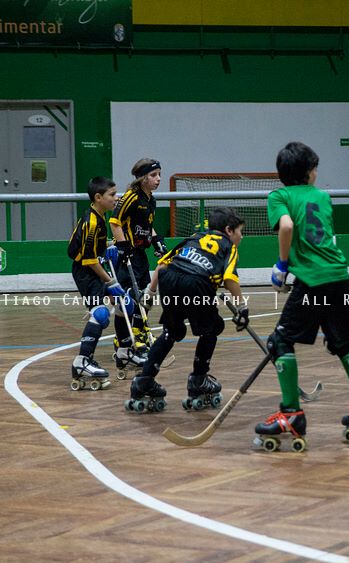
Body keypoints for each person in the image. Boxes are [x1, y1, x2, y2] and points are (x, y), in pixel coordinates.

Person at [258, 141, 349, 452]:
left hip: (312, 282)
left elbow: (286, 225)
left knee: (280, 342)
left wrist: (283, 265)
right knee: (342, 343)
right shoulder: (323, 197)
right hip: (339, 279)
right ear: (310, 172)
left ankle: (291, 414)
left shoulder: (279, 196)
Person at [128, 207, 247, 413]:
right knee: (212, 328)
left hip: (170, 278)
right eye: (240, 232)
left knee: (171, 331)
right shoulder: (228, 246)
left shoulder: (194, 238)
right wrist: (242, 307)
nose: (241, 237)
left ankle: (144, 380)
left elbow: (162, 265)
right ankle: (198, 380)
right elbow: (229, 279)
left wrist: (149, 295)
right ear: (229, 230)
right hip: (196, 283)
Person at [68, 176, 142, 390]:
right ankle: (82, 361)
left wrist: (108, 246)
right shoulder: (92, 221)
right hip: (86, 272)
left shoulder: (98, 216)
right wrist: (109, 281)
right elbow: (88, 260)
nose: (116, 198)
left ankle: (125, 352)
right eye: (112, 195)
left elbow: (90, 248)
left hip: (95, 265)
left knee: (126, 304)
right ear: (98, 197)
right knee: (100, 314)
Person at [110, 158, 167, 355]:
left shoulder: (150, 199)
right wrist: (123, 246)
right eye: (153, 175)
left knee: (145, 296)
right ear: (142, 178)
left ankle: (139, 335)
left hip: (141, 253)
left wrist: (157, 241)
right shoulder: (131, 197)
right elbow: (115, 222)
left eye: (159, 174)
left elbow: (147, 226)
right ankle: (122, 340)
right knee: (129, 299)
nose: (158, 179)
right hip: (129, 254)